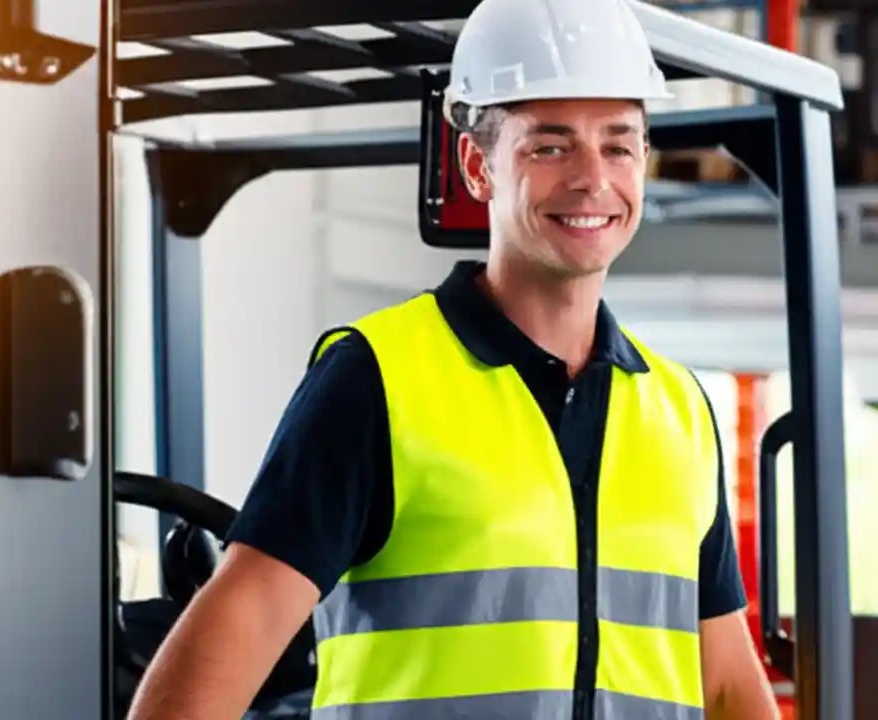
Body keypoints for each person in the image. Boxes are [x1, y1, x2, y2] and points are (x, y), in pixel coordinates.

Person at [126, 0, 778, 717]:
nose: (593, 178)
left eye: (618, 145)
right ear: (477, 165)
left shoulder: (679, 408)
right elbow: (207, 674)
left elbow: (723, 683)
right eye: (549, 146)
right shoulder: (377, 379)